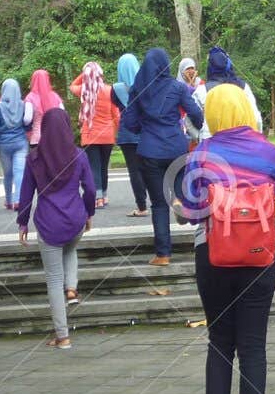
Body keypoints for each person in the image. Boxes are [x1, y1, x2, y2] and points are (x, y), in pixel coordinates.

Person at [180, 84, 275, 394]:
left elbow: (190, 211)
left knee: (220, 344)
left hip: (212, 257)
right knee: (253, 348)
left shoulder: (201, 154)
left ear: (212, 113)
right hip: (258, 258)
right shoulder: (268, 152)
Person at [17, 106, 97, 350]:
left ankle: (62, 336)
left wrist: (22, 222)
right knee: (70, 249)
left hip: (48, 223)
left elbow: (26, 193)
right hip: (75, 219)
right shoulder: (79, 156)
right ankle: (71, 287)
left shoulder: (34, 159)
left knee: (53, 280)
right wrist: (89, 213)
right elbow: (90, 189)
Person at [121, 48, 204, 267]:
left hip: (149, 150)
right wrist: (196, 126)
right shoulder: (178, 87)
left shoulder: (139, 88)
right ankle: (180, 202)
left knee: (158, 203)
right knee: (178, 184)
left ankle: (163, 254)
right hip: (176, 146)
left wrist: (144, 128)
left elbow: (129, 122)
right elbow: (195, 113)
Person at [71, 61, 119, 208]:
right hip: (107, 135)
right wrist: (117, 130)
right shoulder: (109, 90)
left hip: (90, 135)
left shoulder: (84, 90)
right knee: (104, 166)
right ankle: (104, 195)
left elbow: (72, 86)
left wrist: (85, 74)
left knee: (94, 167)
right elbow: (116, 114)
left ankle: (97, 198)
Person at [112, 53, 150, 216]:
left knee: (134, 171)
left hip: (127, 133)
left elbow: (116, 103)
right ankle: (157, 201)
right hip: (145, 131)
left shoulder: (116, 88)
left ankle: (141, 206)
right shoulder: (146, 84)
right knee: (148, 168)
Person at [0, 77, 32, 209]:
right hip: (20, 142)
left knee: (8, 173)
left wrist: (1, 129)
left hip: (4, 144)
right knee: (19, 172)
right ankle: (18, 200)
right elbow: (28, 124)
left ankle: (9, 200)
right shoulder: (23, 104)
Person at [206, 45, 263, 132]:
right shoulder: (243, 87)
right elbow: (256, 118)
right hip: (242, 136)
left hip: (212, 137)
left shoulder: (202, 90)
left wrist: (198, 135)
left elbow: (191, 120)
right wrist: (256, 135)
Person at [26, 70, 62, 147]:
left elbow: (27, 119)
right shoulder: (55, 96)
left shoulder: (30, 97)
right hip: (54, 137)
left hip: (37, 137)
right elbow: (62, 115)